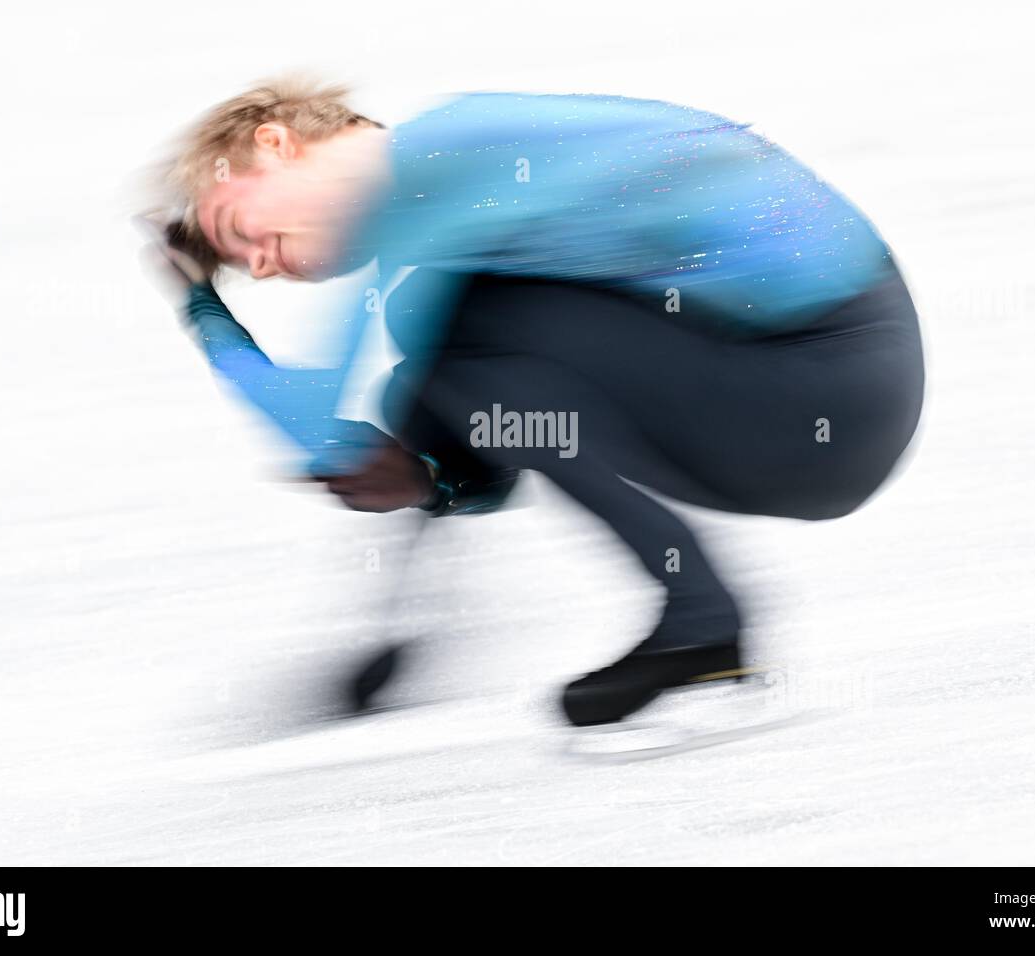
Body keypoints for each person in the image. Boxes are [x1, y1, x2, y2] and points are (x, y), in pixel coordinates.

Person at [140, 77, 925, 728]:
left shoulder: (436, 158)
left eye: (240, 228)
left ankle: (704, 623)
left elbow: (319, 429)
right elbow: (475, 406)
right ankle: (423, 623)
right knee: (451, 339)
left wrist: (204, 309)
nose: (262, 266)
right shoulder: (451, 192)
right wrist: (430, 479)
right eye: (247, 269)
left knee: (463, 330)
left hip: (829, 382)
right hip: (806, 401)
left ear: (277, 142)